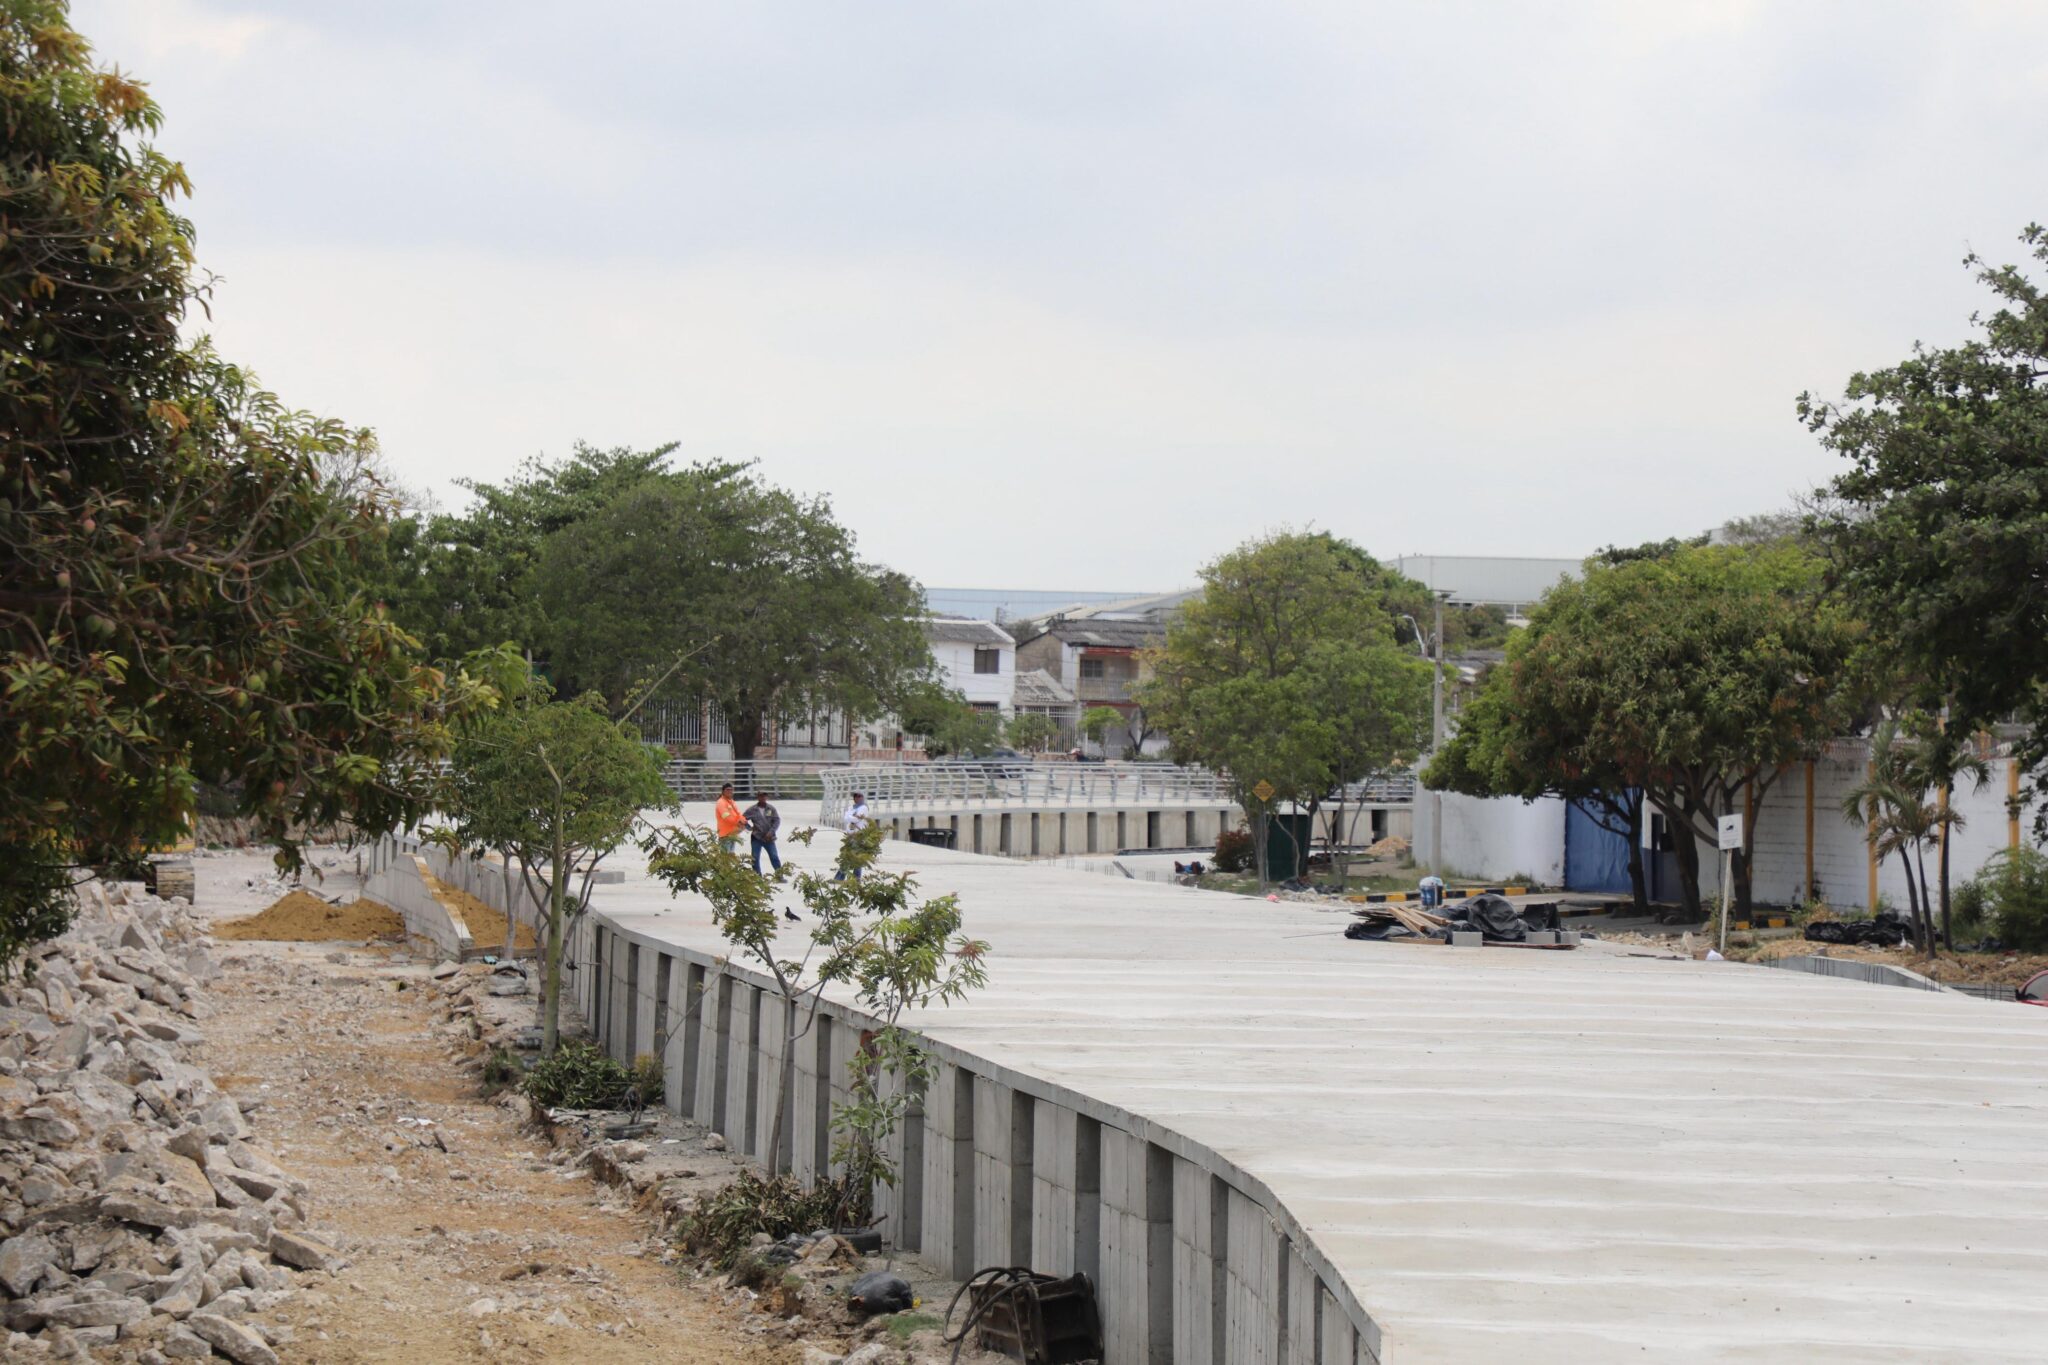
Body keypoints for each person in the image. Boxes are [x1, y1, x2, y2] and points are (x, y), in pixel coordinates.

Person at [833, 790, 870, 881]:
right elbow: (846, 818)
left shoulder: (864, 808)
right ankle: (848, 879)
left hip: (859, 836)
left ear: (863, 797)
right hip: (850, 836)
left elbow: (856, 819)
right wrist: (851, 817)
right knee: (849, 856)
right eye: (855, 796)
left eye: (859, 796)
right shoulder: (851, 807)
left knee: (854, 857)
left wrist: (850, 817)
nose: (857, 798)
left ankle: (848, 879)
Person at [745, 793, 782, 874]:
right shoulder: (752, 809)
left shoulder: (771, 808)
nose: (763, 798)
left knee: (774, 856)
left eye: (764, 796)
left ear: (767, 797)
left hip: (769, 838)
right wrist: (750, 828)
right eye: (761, 796)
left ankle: (779, 875)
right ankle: (757, 876)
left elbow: (777, 820)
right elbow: (742, 819)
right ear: (758, 797)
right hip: (756, 837)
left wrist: (771, 832)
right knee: (755, 858)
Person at [714, 783, 744, 853]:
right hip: (725, 835)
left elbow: (738, 814)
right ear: (723, 791)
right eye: (727, 790)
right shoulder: (721, 802)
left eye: (731, 790)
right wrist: (738, 823)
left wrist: (743, 821)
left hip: (733, 834)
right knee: (725, 856)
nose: (729, 791)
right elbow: (726, 817)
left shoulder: (732, 802)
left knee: (731, 856)